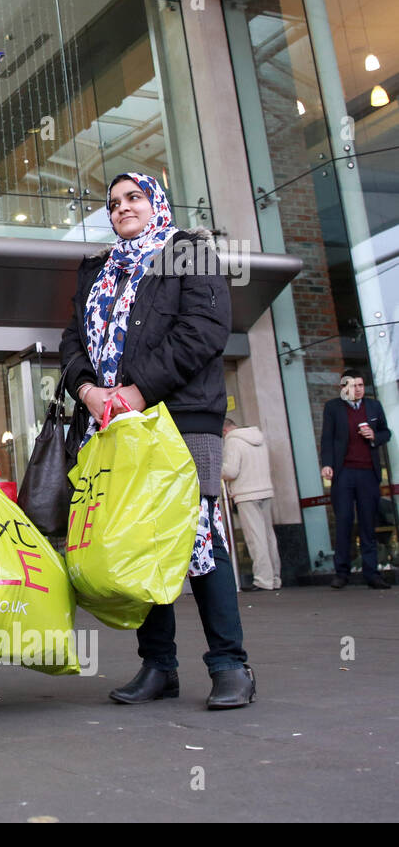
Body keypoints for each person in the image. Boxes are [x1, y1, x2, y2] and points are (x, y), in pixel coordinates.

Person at [60, 172, 255, 709]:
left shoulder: (188, 252)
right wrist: (89, 392)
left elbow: (205, 329)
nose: (122, 208)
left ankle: (230, 664)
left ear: (157, 204)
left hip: (182, 418)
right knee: (137, 539)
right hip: (114, 425)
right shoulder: (97, 270)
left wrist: (139, 391)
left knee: (200, 539)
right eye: (113, 202)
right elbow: (72, 340)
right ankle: (159, 667)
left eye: (134, 198)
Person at [320, 370, 392, 589]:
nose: (358, 389)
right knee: (343, 521)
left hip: (368, 472)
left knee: (368, 523)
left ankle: (372, 574)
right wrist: (327, 464)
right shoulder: (333, 408)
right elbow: (327, 438)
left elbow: (386, 433)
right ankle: (342, 573)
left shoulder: (373, 407)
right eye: (353, 385)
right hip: (343, 473)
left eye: (361, 385)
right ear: (344, 387)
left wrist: (374, 437)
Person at [222, 418, 281, 591]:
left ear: (225, 431)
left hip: (247, 493)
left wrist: (217, 468)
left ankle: (263, 579)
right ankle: (275, 578)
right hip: (265, 490)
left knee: (256, 538)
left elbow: (231, 470)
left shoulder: (233, 441)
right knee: (269, 537)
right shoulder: (258, 437)